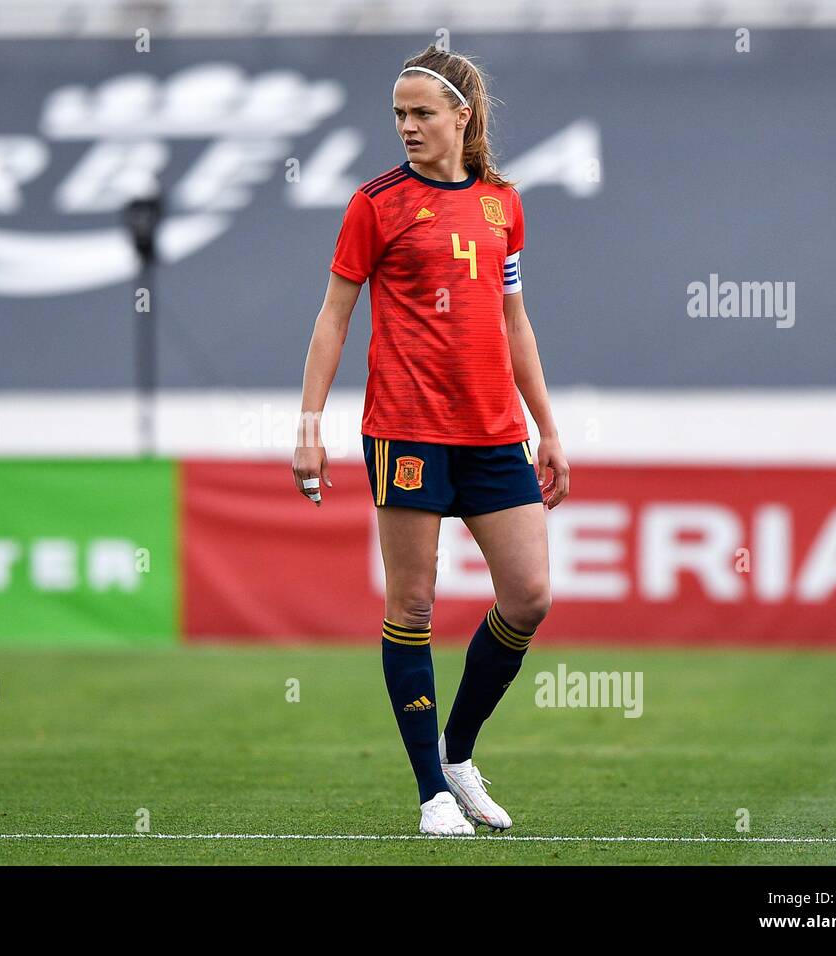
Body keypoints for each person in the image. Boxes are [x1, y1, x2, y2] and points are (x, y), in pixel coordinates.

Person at [292, 46, 570, 835]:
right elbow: (334, 318)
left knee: (530, 595)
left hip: (493, 433)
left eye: (422, 113)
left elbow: (513, 319)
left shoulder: (502, 205)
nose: (408, 127)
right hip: (406, 428)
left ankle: (457, 751)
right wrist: (309, 428)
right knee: (413, 603)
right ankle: (430, 795)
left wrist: (548, 428)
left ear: (463, 118)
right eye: (399, 115)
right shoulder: (374, 203)